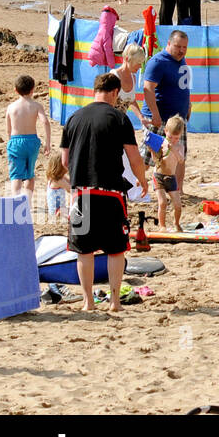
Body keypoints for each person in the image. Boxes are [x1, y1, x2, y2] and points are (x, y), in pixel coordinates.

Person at [61, 72, 148, 312]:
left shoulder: (73, 118)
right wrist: (142, 181)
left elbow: (64, 161)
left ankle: (88, 301)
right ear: (114, 92)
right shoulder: (119, 118)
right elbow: (134, 157)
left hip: (81, 194)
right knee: (115, 249)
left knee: (84, 250)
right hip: (110, 193)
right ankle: (115, 302)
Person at [143, 30, 192, 178]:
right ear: (169, 43)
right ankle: (135, 186)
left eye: (184, 47)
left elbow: (182, 86)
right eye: (178, 46)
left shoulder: (181, 60)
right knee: (147, 158)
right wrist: (155, 114)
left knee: (179, 155)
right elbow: (148, 89)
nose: (181, 50)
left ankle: (178, 190)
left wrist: (188, 106)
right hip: (161, 118)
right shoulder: (158, 62)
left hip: (178, 118)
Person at [5, 74, 51, 197]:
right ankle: (28, 202)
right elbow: (45, 122)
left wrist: (10, 141)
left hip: (15, 141)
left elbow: (8, 129)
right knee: (30, 174)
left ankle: (16, 202)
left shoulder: (11, 107)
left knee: (16, 175)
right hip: (32, 141)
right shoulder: (36, 106)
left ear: (15, 90)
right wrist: (47, 143)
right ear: (32, 89)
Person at [153, 115, 187, 231]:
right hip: (159, 176)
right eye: (170, 137)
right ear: (165, 131)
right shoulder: (161, 143)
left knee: (177, 205)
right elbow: (155, 159)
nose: (173, 140)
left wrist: (173, 149)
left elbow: (181, 160)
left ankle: (176, 223)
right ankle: (162, 226)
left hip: (171, 177)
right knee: (162, 203)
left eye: (176, 138)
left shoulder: (179, 146)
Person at [46, 152, 71, 221]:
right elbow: (71, 190)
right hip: (57, 210)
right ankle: (62, 214)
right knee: (76, 211)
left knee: (71, 208)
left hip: (58, 208)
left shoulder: (55, 178)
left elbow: (71, 182)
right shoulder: (58, 181)